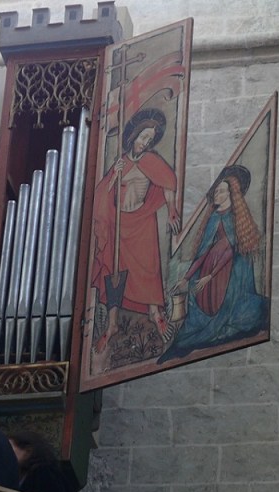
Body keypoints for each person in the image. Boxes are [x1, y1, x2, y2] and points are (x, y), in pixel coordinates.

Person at [90, 108, 181, 349]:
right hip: (119, 224)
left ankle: (155, 313)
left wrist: (172, 209)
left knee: (149, 268)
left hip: (142, 222)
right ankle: (111, 325)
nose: (146, 142)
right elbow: (102, 194)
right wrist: (114, 175)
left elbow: (168, 181)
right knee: (114, 271)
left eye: (150, 139)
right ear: (134, 136)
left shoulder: (151, 161)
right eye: (143, 137)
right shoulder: (121, 162)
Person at [159, 165, 268, 363]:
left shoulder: (236, 218)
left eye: (221, 191)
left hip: (229, 274)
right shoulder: (214, 217)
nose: (216, 195)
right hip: (210, 270)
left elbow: (231, 251)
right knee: (195, 299)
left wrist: (211, 275)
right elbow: (203, 253)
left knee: (235, 311)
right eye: (216, 191)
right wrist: (186, 278)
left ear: (231, 194)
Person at [7, 430, 79, 492]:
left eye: (9, 448)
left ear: (28, 451)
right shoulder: (25, 476)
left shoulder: (44, 473)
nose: (6, 453)